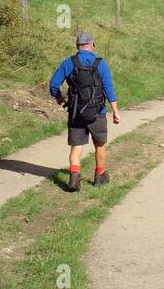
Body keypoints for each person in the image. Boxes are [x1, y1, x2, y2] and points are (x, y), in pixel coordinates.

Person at [49, 32, 120, 191]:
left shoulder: (69, 62)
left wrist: (59, 98)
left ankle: (74, 180)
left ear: (77, 46)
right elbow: (108, 88)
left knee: (76, 146)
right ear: (92, 45)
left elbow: (54, 84)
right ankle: (99, 177)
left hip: (76, 112)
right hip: (98, 112)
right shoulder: (100, 63)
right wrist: (115, 110)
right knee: (100, 145)